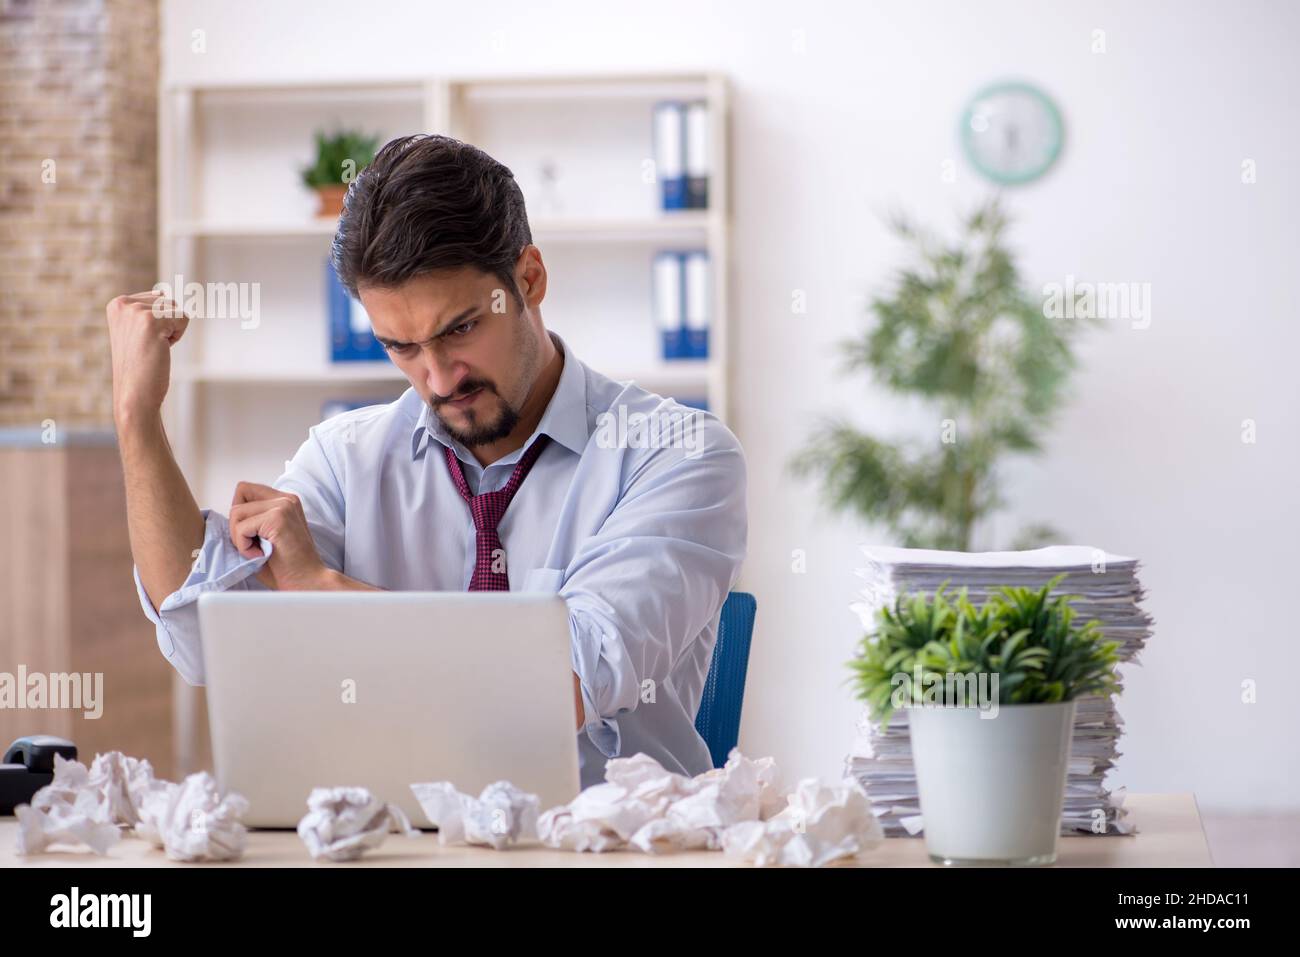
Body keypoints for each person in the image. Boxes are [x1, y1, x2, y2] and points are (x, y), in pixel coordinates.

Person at [106, 133, 748, 788]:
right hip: (393, 846)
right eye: (401, 346)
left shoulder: (678, 455)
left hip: (600, 847)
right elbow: (199, 632)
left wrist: (323, 590)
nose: (438, 378)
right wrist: (138, 417)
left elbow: (555, 688)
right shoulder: (345, 456)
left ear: (528, 279)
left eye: (460, 329)